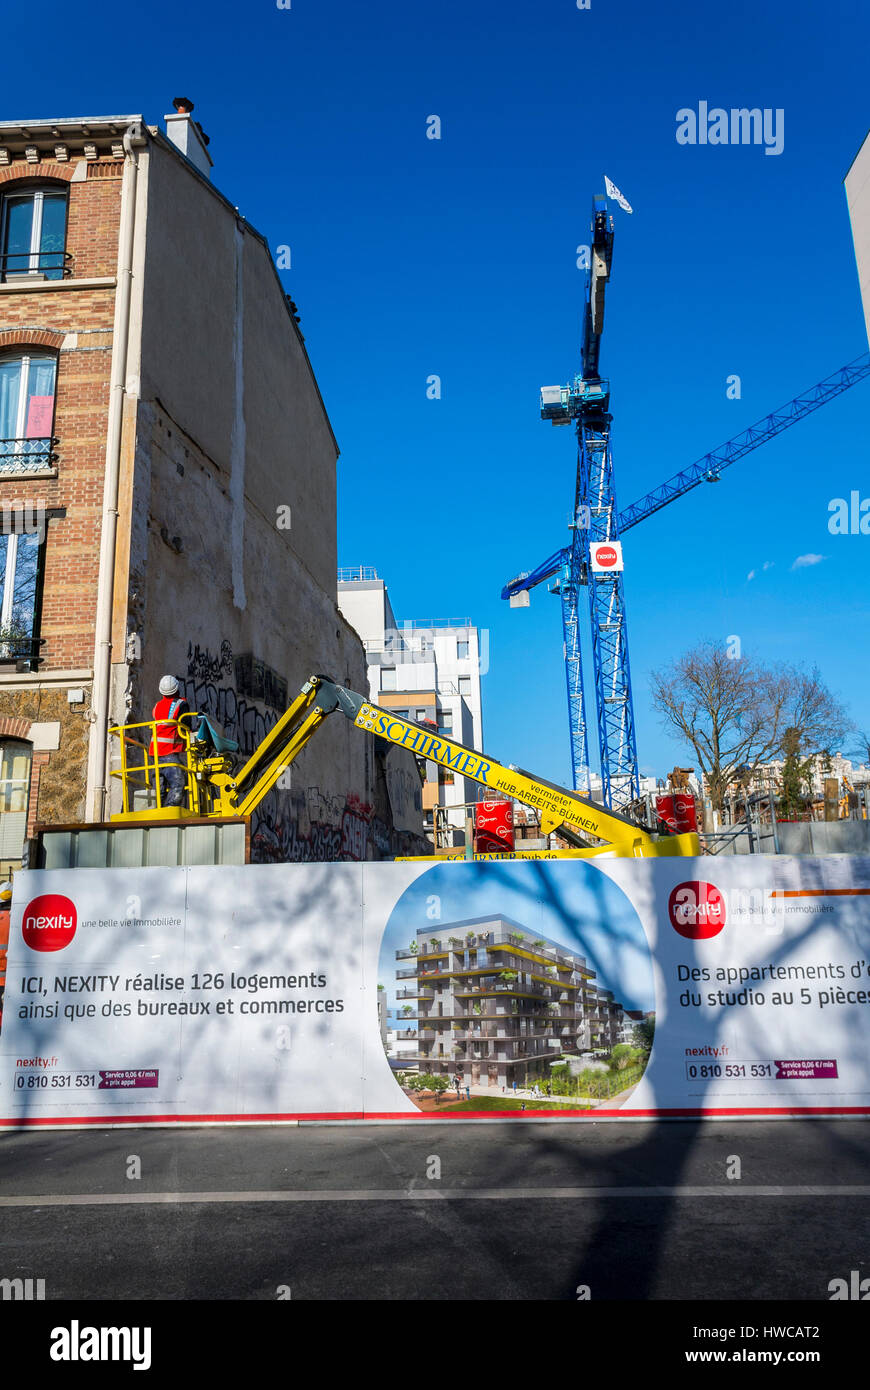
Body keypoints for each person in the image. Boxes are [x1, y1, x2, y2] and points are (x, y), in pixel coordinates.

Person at [149, 676, 190, 808]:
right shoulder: (181, 704)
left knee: (159, 787)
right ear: (177, 688)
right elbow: (187, 725)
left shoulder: (157, 706)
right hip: (169, 751)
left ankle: (157, 811)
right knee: (178, 783)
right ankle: (170, 809)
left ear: (161, 691)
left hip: (154, 752)